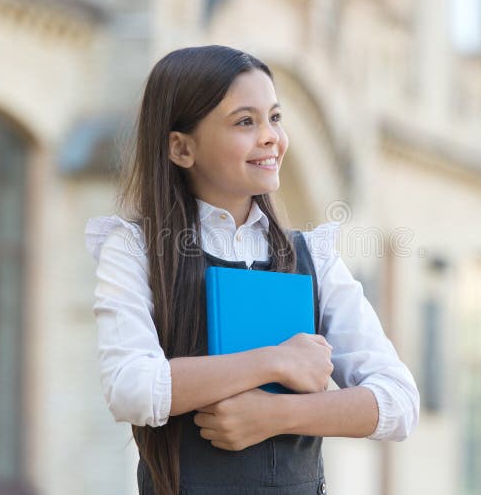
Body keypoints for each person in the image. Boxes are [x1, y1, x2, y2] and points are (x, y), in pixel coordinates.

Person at [84, 45, 420, 495]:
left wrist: (277, 415)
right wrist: (276, 360)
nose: (270, 137)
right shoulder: (135, 250)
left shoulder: (314, 256)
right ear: (181, 148)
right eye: (246, 121)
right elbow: (131, 387)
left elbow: (398, 402)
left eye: (275, 118)